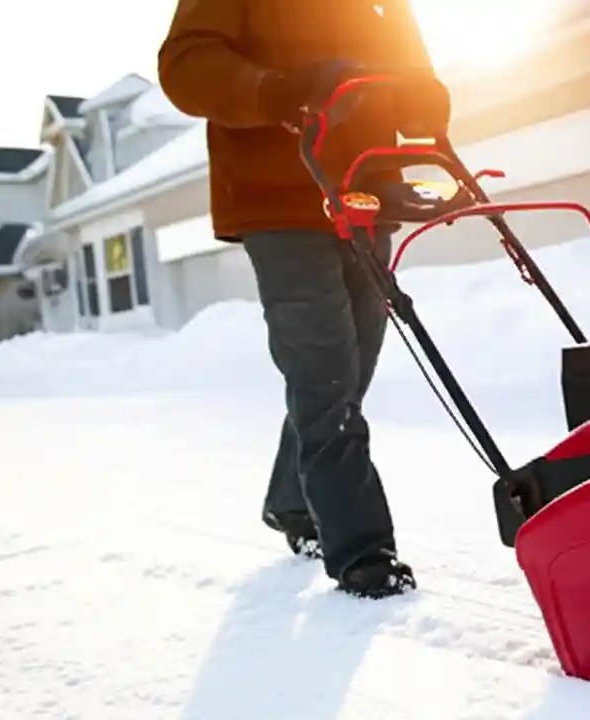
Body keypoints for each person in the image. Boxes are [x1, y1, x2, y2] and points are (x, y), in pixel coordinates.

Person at [157, 0, 449, 599]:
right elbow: (186, 65)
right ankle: (363, 550)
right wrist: (278, 92)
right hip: (279, 199)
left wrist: (423, 97)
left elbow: (409, 62)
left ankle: (293, 502)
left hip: (367, 189)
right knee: (322, 371)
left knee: (354, 364)